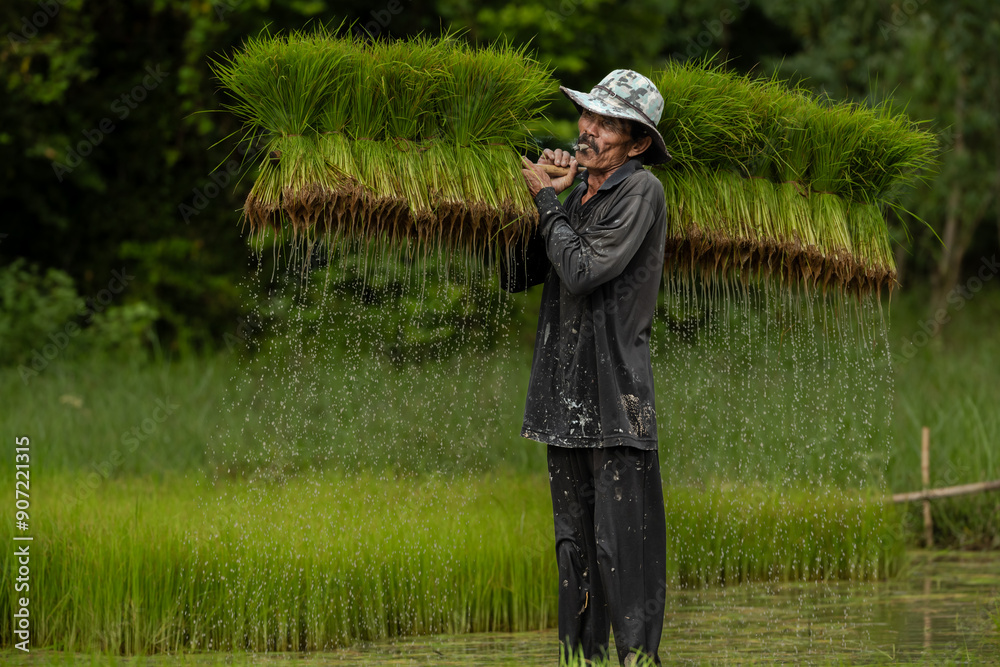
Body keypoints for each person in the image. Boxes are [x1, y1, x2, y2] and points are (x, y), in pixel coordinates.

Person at [510, 69, 671, 667]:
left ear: (636, 144)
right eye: (588, 117)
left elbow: (581, 271)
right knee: (573, 551)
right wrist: (550, 195)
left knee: (622, 555)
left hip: (616, 404)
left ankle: (635, 661)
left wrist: (549, 201)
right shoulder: (578, 195)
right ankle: (578, 659)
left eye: (606, 124)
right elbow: (516, 274)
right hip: (563, 401)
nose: (588, 131)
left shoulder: (641, 192)